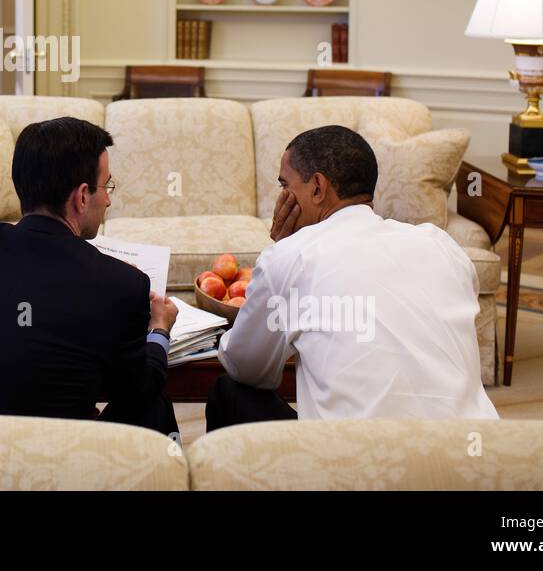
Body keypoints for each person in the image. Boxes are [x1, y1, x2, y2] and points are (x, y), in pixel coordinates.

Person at [208, 125, 498, 429]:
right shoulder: (442, 245)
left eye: (285, 185)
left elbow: (246, 367)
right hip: (472, 456)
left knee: (228, 391)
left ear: (318, 188)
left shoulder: (290, 256)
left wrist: (283, 255)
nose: (282, 198)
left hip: (360, 465)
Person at [0, 117, 180, 436]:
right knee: (153, 403)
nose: (108, 199)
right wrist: (159, 328)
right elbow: (140, 387)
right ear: (82, 196)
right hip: (50, 465)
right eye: (106, 186)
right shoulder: (120, 284)